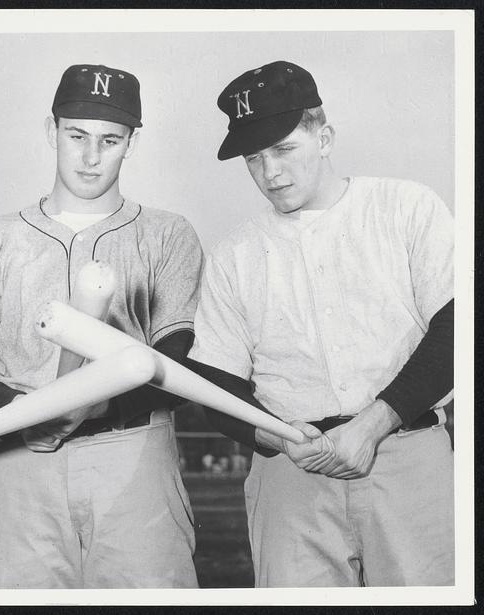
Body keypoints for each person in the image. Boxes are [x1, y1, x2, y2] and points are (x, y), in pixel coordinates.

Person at [186, 60, 454, 587]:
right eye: (254, 158)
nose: (270, 173)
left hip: (406, 453)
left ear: (324, 136)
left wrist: (375, 422)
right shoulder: (234, 253)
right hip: (291, 469)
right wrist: (278, 437)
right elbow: (213, 382)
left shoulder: (404, 207)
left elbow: (459, 327)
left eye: (284, 149)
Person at [0, 64, 203, 588]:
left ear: (131, 142)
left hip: (132, 452)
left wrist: (97, 403)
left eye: (109, 140)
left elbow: (177, 358)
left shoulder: (167, 233)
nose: (91, 157)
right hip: (21, 454)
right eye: (77, 136)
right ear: (52, 131)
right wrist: (29, 416)